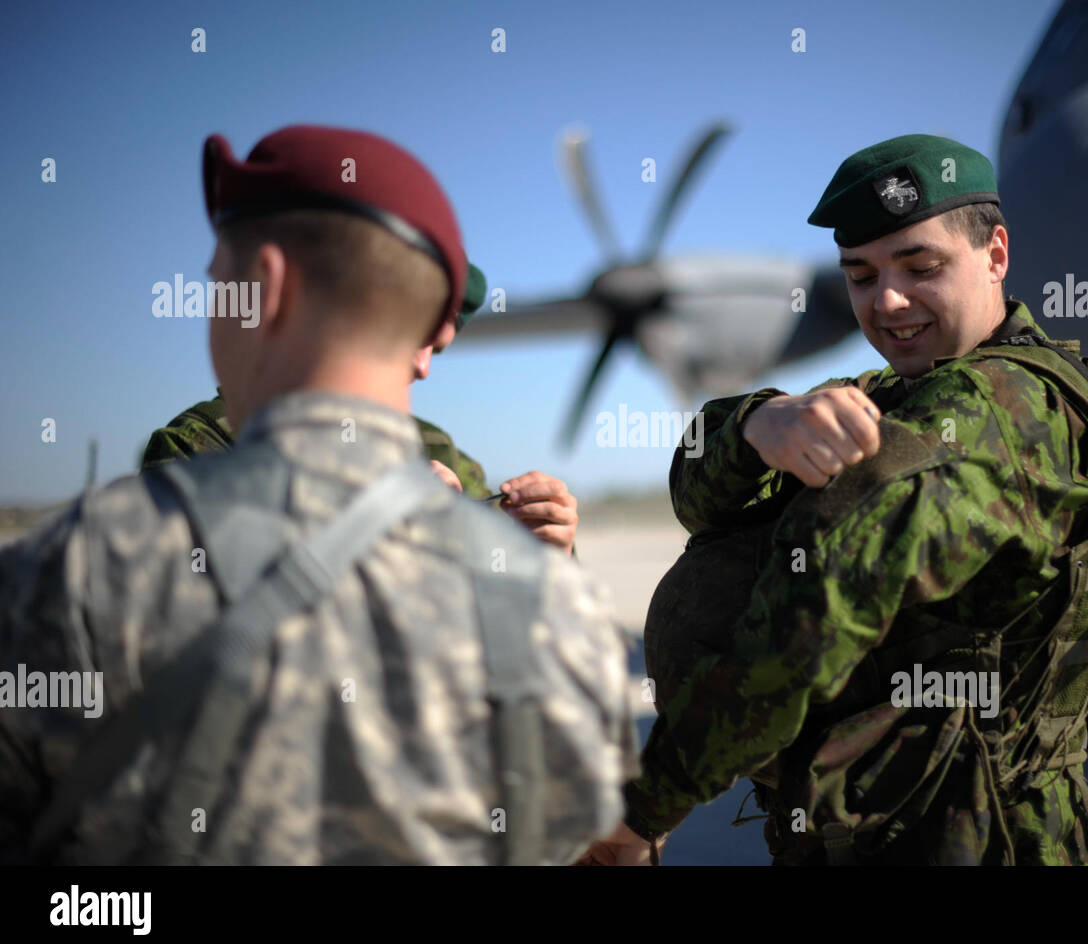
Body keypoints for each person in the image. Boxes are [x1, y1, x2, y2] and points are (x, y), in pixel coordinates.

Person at [0, 124, 638, 864]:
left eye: (218, 288)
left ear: (265, 290)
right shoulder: (571, 620)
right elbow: (594, 837)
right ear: (436, 336)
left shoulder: (69, 572)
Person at [585, 133, 1088, 866]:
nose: (887, 301)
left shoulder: (1005, 407)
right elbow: (694, 490)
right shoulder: (889, 397)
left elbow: (825, 595)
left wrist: (650, 802)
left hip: (977, 840)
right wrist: (756, 425)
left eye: (920, 266)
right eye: (860, 276)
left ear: (995, 254)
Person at [140, 263, 581, 555]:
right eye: (414, 336)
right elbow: (178, 629)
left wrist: (545, 554)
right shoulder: (208, 445)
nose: (423, 367)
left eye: (437, 350)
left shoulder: (437, 449)